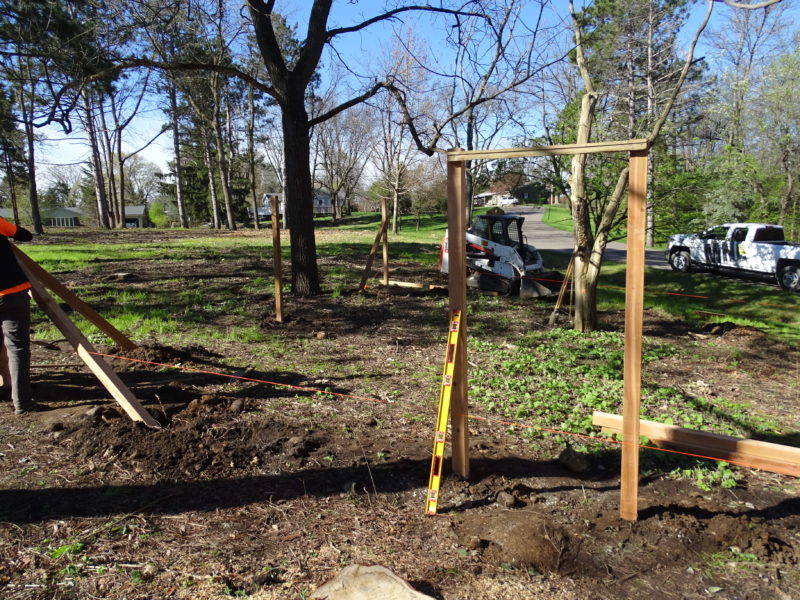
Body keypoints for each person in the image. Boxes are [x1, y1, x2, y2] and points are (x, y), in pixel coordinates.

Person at [0, 216, 39, 414]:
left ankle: (6, 386)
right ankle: (23, 403)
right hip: (11, 293)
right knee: (17, 349)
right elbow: (24, 235)